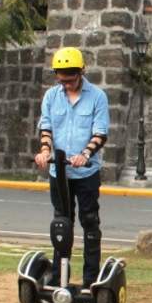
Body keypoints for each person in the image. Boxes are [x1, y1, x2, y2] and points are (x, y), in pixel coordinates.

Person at [34, 47, 110, 287]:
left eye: (70, 79)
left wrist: (86, 154)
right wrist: (45, 152)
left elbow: (100, 132)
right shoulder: (51, 96)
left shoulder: (97, 96)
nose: (66, 84)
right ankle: (59, 278)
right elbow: (46, 128)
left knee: (89, 222)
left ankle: (90, 280)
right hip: (59, 173)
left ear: (81, 72)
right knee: (61, 224)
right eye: (61, 79)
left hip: (86, 173)